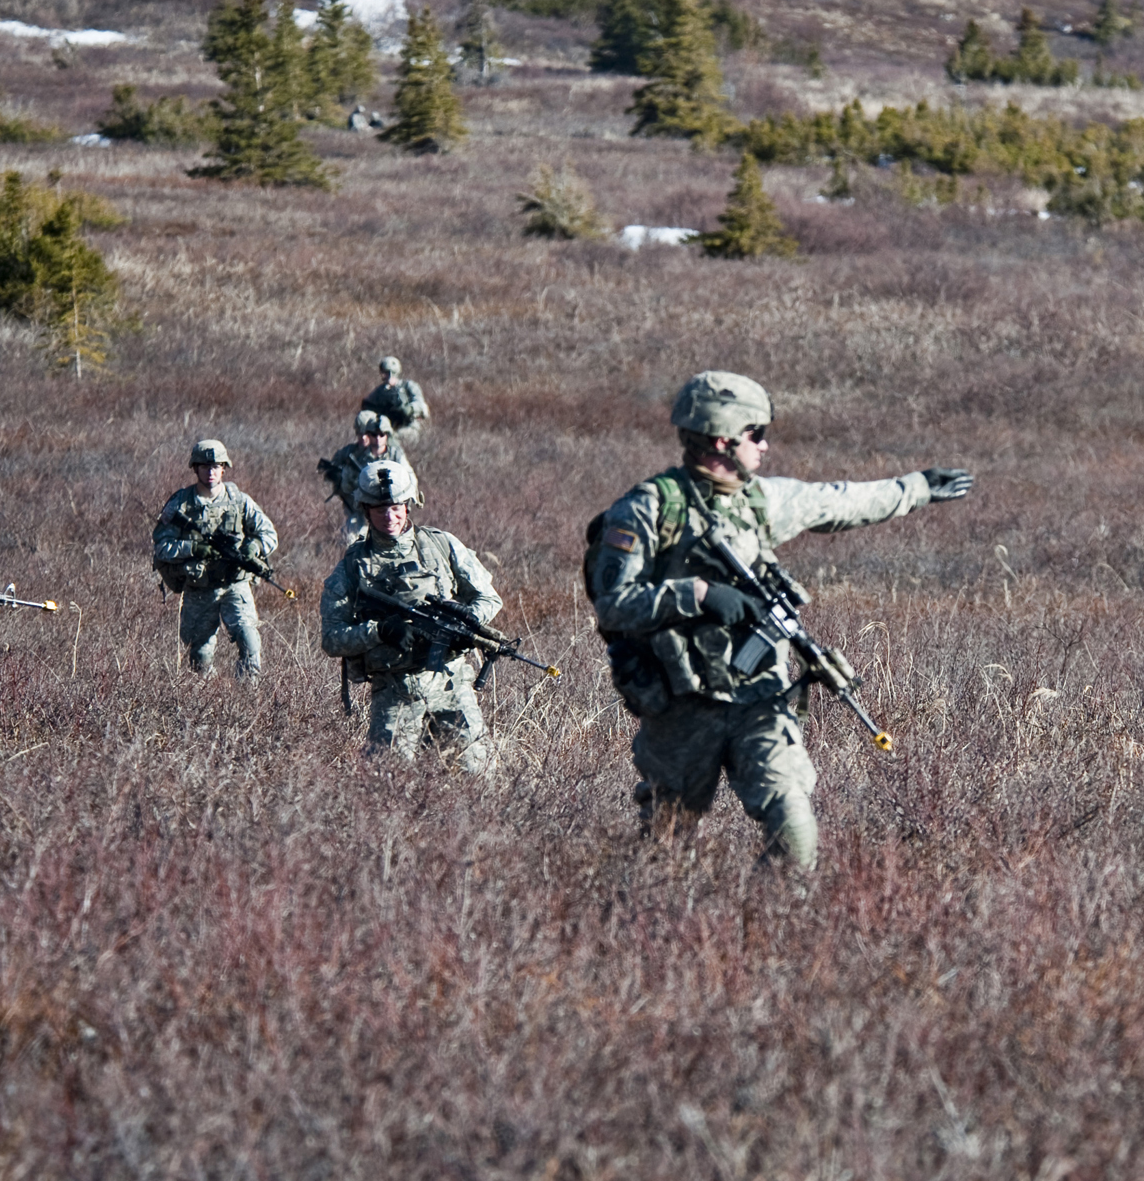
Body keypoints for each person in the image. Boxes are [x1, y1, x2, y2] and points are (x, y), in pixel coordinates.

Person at [586, 370, 975, 871]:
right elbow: (613, 603)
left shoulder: (759, 501)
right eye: (758, 433)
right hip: (680, 703)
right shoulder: (646, 510)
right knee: (666, 843)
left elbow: (838, 501)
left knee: (794, 824)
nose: (765, 446)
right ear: (723, 439)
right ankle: (642, 933)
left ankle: (780, 930)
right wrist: (699, 593)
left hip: (761, 697)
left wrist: (917, 487)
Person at [319, 458, 501, 771]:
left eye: (396, 507)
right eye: (379, 509)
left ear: (409, 505)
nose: (388, 516)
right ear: (365, 510)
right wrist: (380, 631)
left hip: (451, 684)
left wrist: (462, 622)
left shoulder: (441, 545)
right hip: (394, 691)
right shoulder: (352, 566)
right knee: (385, 784)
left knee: (476, 776)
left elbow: (489, 598)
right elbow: (332, 639)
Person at [152, 439, 279, 678]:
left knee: (250, 643)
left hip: (235, 584)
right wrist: (194, 548)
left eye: (216, 466)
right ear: (195, 468)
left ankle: (248, 702)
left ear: (224, 468)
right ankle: (206, 708)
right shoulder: (181, 503)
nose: (210, 472)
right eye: (204, 466)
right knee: (200, 656)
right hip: (200, 588)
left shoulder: (239, 500)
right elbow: (161, 547)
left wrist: (254, 547)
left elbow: (269, 534)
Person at [319, 410, 410, 540]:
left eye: (381, 435)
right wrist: (343, 478)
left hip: (387, 509)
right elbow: (333, 470)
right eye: (373, 434)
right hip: (359, 507)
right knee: (350, 540)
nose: (377, 438)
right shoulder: (355, 454)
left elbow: (409, 479)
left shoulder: (395, 455)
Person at [362, 356, 429, 439]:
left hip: (408, 426)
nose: (387, 376)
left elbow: (421, 406)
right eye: (385, 373)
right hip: (386, 427)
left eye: (389, 373)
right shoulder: (380, 391)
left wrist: (409, 409)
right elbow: (368, 407)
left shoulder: (408, 386)